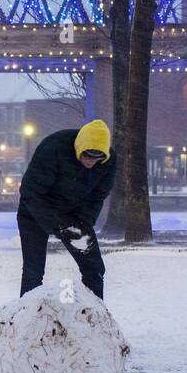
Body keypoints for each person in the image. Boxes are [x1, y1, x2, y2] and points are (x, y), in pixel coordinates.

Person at [17, 119, 115, 299]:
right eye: (86, 154)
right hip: (34, 212)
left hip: (73, 215)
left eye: (97, 157)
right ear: (79, 146)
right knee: (33, 271)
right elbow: (30, 192)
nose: (91, 161)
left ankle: (93, 316)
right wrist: (55, 225)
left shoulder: (108, 162)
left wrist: (83, 223)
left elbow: (98, 196)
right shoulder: (54, 148)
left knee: (94, 268)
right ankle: (27, 319)